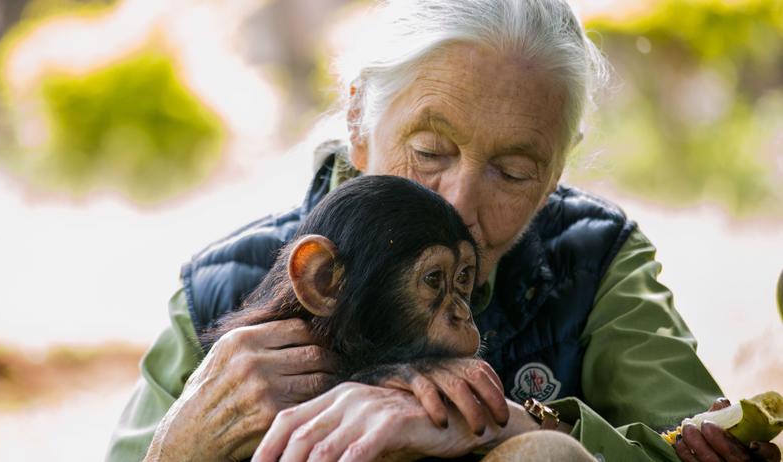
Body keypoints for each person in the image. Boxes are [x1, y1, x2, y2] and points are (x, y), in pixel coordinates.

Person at [106, 1, 781, 461]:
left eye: (514, 171)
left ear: (556, 173)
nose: (459, 204)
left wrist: (513, 424)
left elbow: (702, 445)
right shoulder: (226, 284)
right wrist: (182, 443)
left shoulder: (591, 256)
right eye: (430, 151)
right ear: (360, 119)